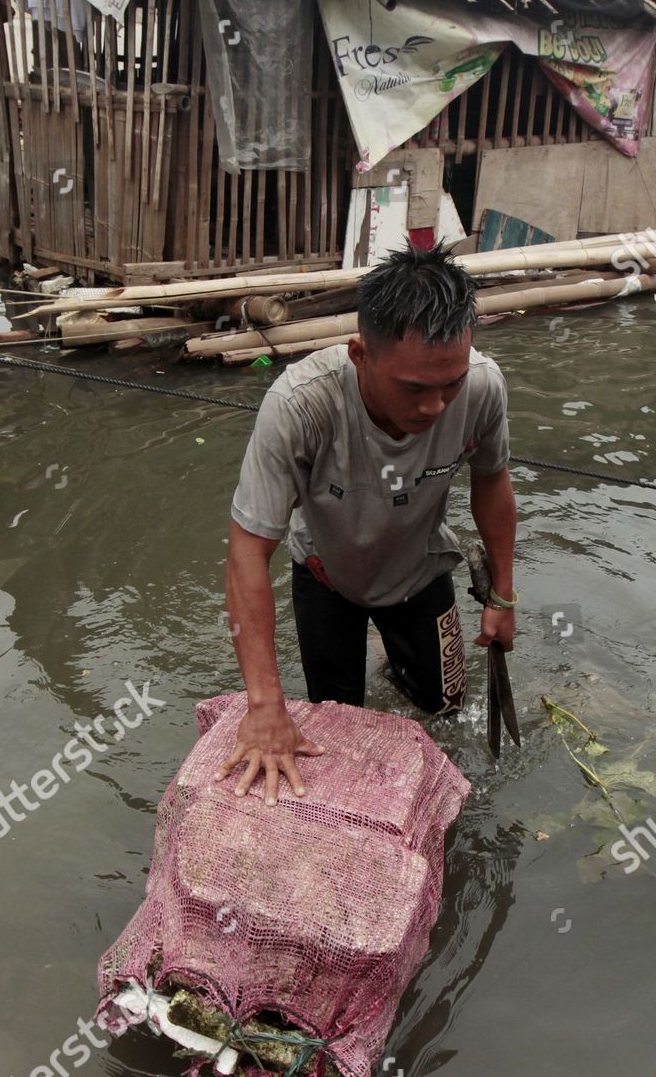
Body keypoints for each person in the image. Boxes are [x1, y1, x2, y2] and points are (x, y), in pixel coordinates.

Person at [218, 242, 517, 805]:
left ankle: (398, 665)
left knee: (446, 710)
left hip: (419, 572)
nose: (435, 407)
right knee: (334, 726)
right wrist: (264, 706)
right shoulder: (300, 406)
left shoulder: (481, 389)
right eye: (413, 388)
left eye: (448, 383)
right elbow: (246, 550)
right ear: (360, 354)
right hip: (327, 574)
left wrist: (503, 596)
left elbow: (492, 483)